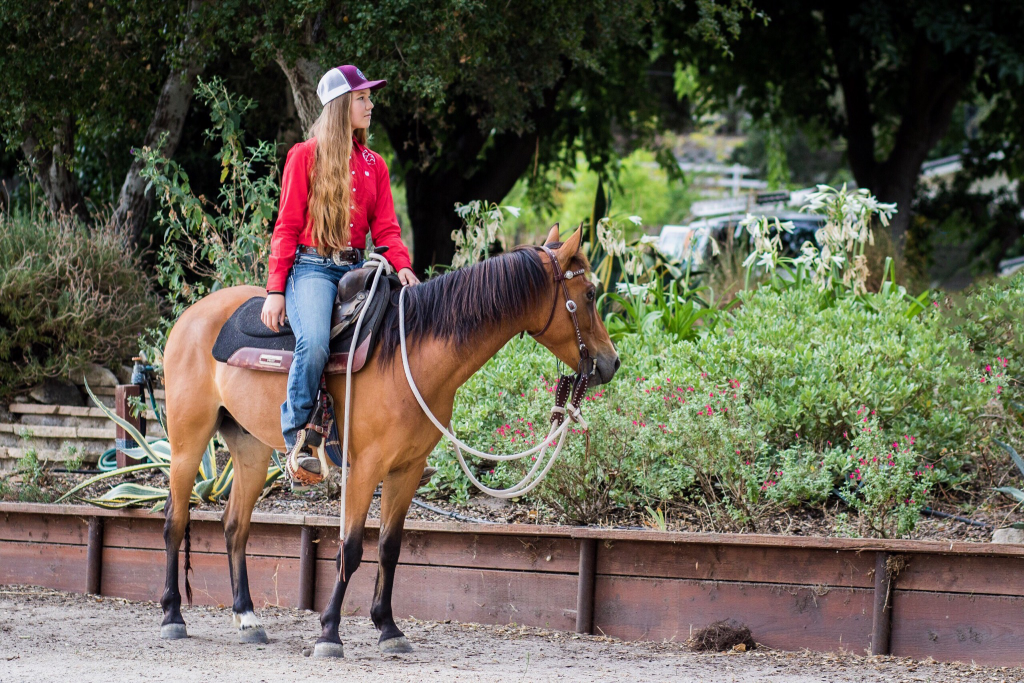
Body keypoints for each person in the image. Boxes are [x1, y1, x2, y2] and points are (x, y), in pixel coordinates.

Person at [260, 64, 419, 485]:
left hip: (356, 268)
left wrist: (403, 266)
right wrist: (276, 290)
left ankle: (399, 442)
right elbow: (287, 227)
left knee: (400, 335)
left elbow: (386, 229)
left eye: (369, 98)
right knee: (312, 344)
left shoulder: (375, 165)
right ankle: (297, 442)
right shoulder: (304, 156)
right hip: (311, 267)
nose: (370, 105)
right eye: (362, 98)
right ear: (340, 106)